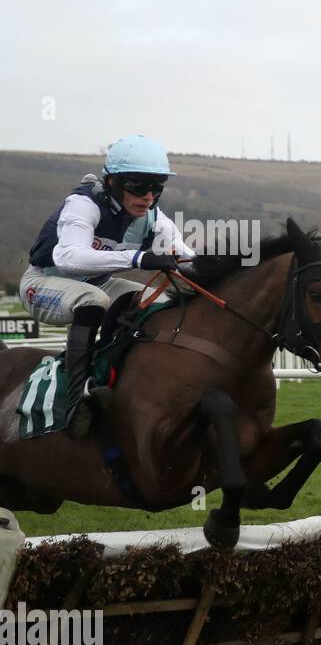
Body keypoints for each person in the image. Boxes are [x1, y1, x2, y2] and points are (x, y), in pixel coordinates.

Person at [24, 134, 194, 438]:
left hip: (96, 284)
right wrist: (138, 258)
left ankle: (116, 379)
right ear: (113, 182)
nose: (148, 196)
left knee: (150, 301)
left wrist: (229, 268)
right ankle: (76, 402)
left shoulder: (154, 217)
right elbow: (67, 257)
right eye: (138, 186)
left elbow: (185, 259)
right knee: (93, 300)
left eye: (156, 187)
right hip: (44, 283)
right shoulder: (83, 204)